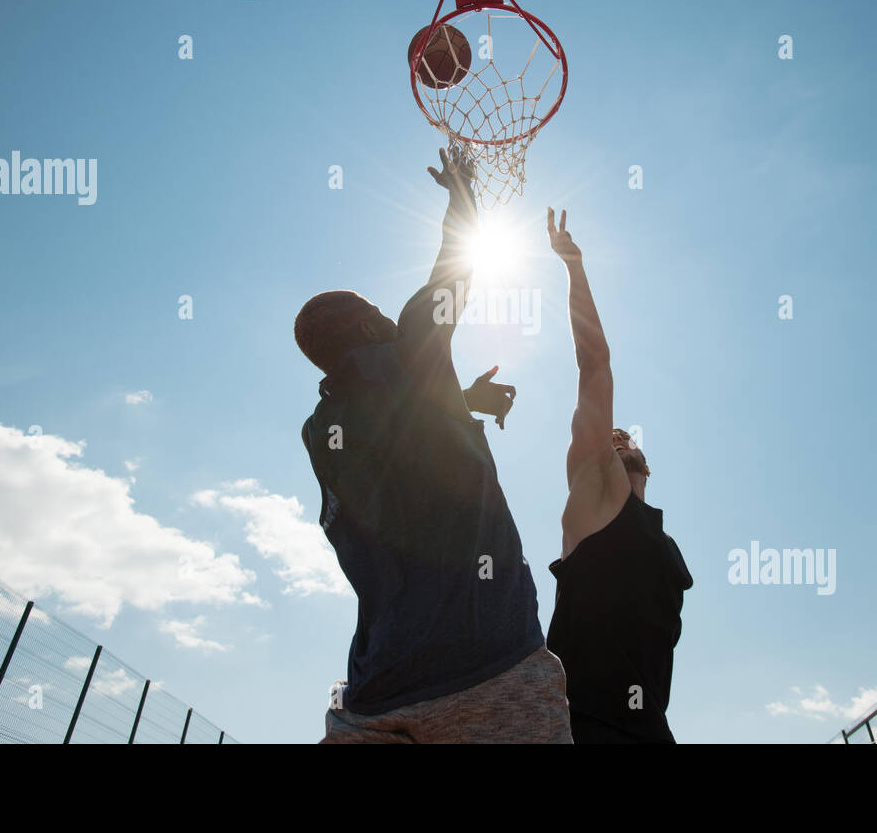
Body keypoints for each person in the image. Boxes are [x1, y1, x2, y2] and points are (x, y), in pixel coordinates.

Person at [294, 148, 571, 743]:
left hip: (377, 697)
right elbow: (452, 273)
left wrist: (459, 401)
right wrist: (461, 193)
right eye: (375, 311)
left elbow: (397, 437)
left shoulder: (320, 433)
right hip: (491, 668)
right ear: (370, 327)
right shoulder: (411, 350)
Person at [543, 207, 694, 743]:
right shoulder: (594, 490)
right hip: (582, 728)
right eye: (610, 435)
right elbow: (595, 365)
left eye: (626, 436)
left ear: (645, 462)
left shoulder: (663, 543)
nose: (616, 436)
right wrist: (574, 268)